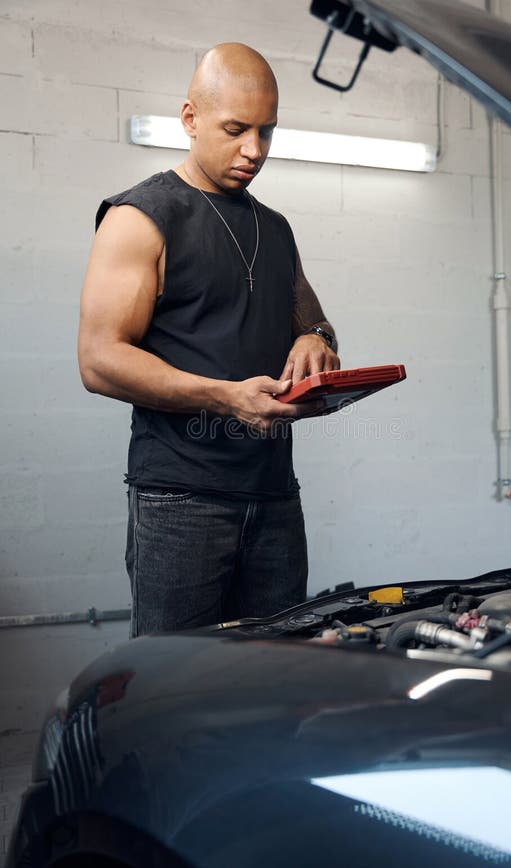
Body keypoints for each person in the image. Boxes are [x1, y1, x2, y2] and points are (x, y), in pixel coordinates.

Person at [78, 43, 339, 637]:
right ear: (190, 118)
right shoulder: (140, 216)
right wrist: (226, 397)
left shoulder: (275, 228)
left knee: (275, 675)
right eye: (236, 129)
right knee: (175, 680)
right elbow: (98, 360)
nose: (255, 150)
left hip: (274, 497)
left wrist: (315, 338)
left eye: (267, 131)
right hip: (180, 500)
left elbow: (312, 318)